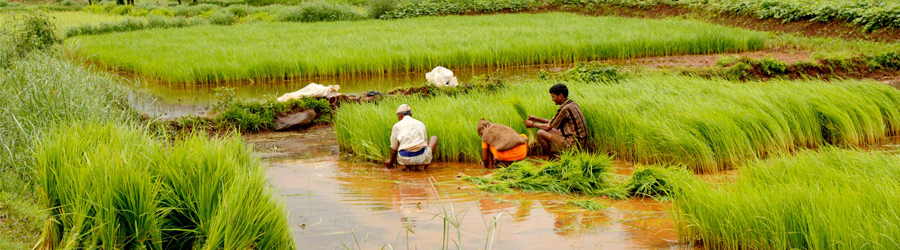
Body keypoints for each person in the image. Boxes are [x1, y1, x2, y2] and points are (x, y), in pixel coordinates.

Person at [524, 83, 588, 157]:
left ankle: (552, 158)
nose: (552, 99)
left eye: (553, 97)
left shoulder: (564, 109)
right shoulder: (572, 104)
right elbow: (554, 122)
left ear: (560, 95)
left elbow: (548, 127)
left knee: (540, 133)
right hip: (581, 141)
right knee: (550, 130)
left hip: (573, 144)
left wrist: (532, 124)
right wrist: (536, 119)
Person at [385, 104, 438, 170]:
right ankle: (425, 168)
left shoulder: (397, 126)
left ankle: (408, 168)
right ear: (411, 114)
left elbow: (394, 150)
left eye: (398, 115)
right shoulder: (420, 123)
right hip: (422, 156)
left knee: (400, 142)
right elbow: (425, 142)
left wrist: (390, 164)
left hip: (404, 158)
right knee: (434, 138)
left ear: (401, 115)